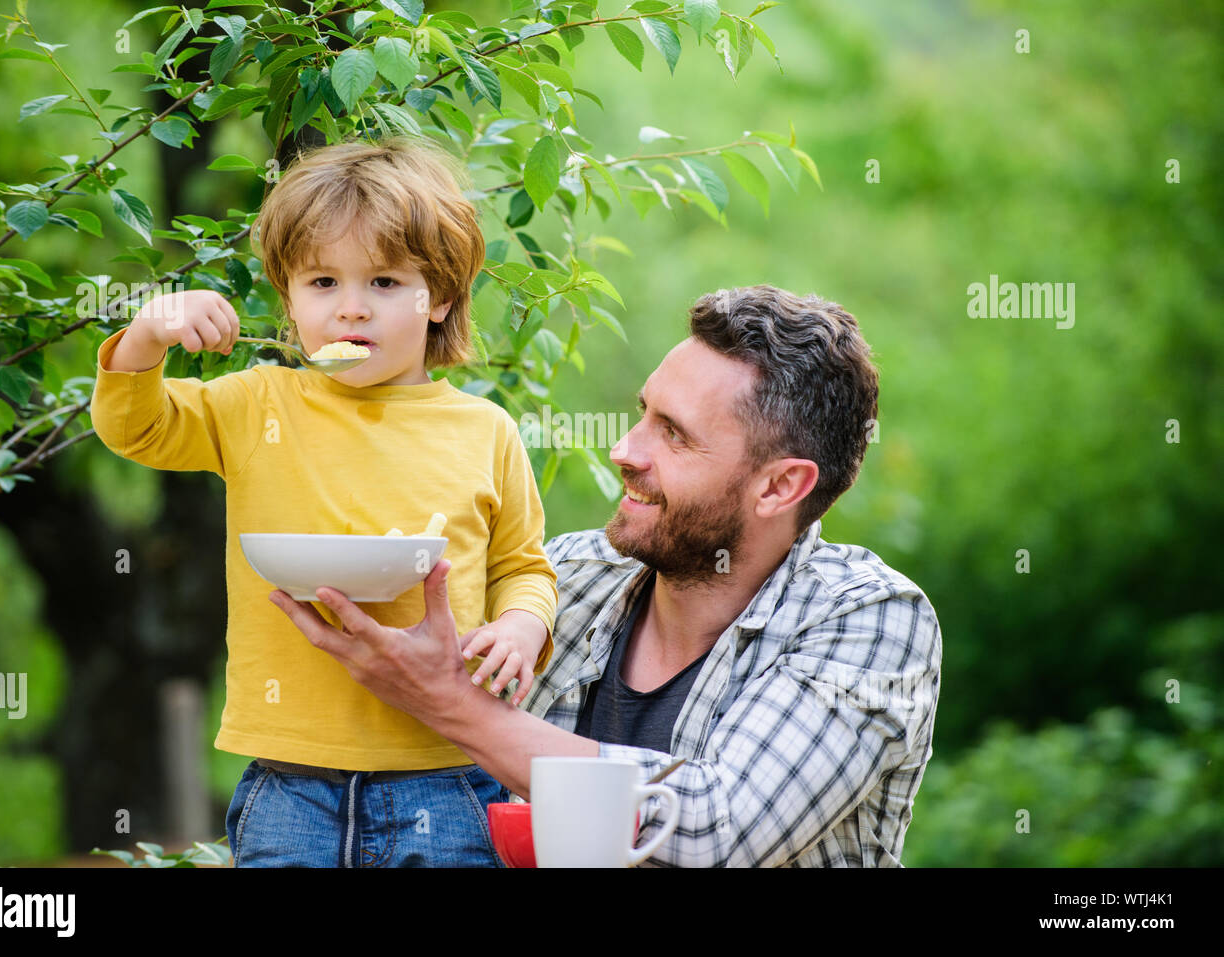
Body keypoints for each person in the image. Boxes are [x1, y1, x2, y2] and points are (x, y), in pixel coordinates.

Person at [271, 285, 943, 867]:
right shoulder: (565, 577)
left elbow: (718, 829)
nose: (625, 449)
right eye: (642, 412)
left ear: (780, 486)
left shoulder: (872, 617)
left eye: (674, 435)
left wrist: (450, 703)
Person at [90, 136, 558, 867]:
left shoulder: (484, 430)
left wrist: (523, 629)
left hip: (445, 773)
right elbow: (135, 425)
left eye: (382, 282)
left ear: (436, 297)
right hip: (289, 779)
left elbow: (524, 565)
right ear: (288, 298)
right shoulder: (256, 402)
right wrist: (150, 333)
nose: (349, 311)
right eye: (322, 284)